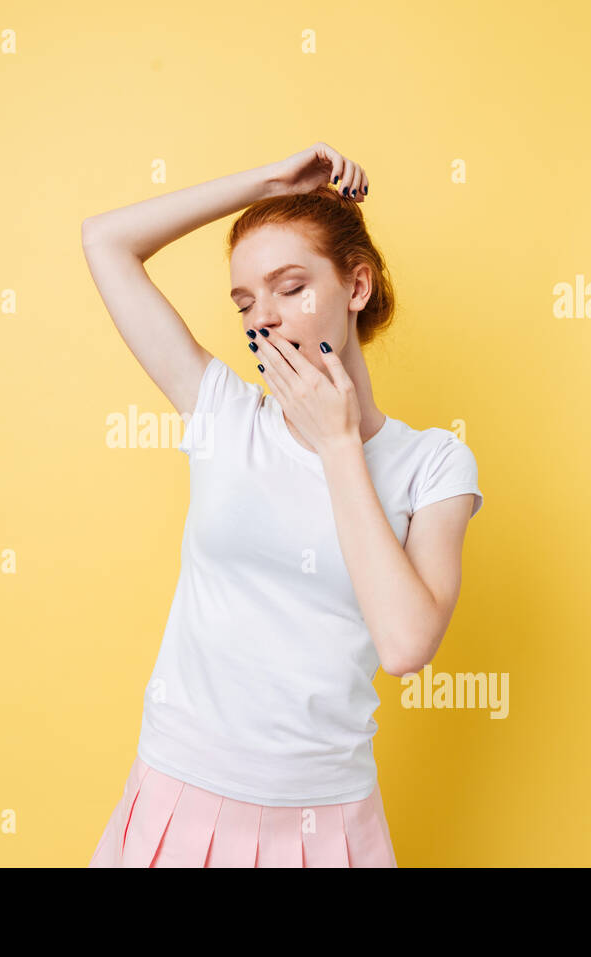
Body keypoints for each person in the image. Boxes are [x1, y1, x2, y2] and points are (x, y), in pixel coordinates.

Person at [80, 142, 483, 867]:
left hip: (322, 821)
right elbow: (104, 240)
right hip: (178, 792)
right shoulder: (222, 412)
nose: (264, 318)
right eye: (245, 301)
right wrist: (268, 183)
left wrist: (338, 447)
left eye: (290, 286)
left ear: (355, 286)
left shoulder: (434, 464)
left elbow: (405, 646)